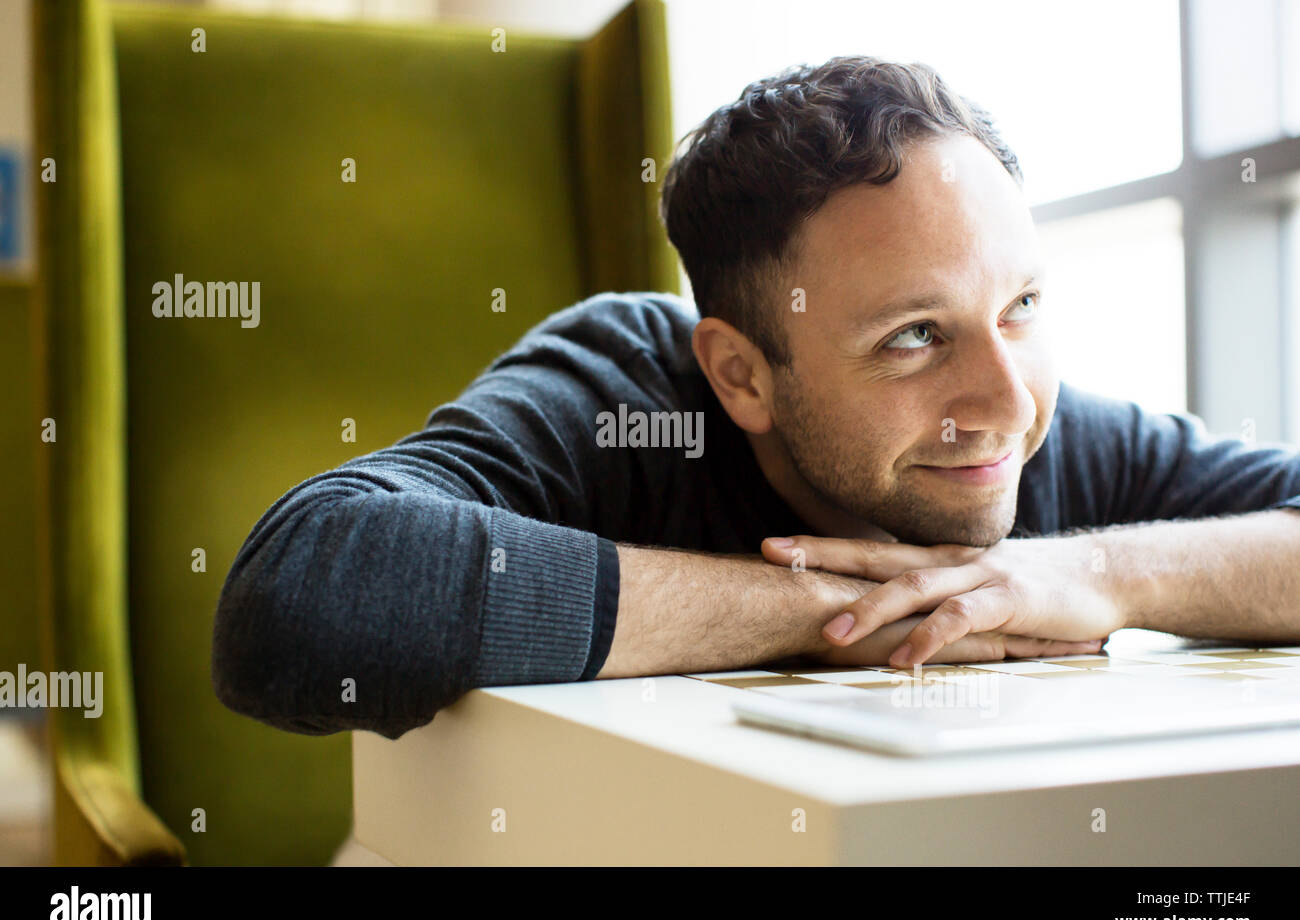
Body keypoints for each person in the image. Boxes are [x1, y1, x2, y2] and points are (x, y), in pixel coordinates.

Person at [212, 56, 1300, 740]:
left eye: (1018, 302)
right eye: (913, 335)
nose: (1006, 399)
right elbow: (299, 593)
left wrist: (1087, 573)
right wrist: (840, 616)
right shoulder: (625, 392)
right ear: (740, 373)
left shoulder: (1024, 433)